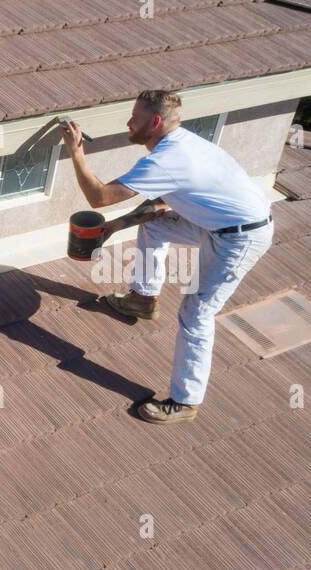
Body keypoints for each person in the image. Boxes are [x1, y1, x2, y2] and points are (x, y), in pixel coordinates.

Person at [60, 91, 274, 425]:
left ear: (155, 122)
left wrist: (76, 153)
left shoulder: (166, 159)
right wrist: (116, 226)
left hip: (240, 238)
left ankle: (185, 402)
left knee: (196, 314)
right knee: (156, 227)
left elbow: (98, 197)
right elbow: (159, 205)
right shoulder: (181, 143)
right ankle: (142, 299)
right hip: (219, 224)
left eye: (134, 116)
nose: (128, 122)